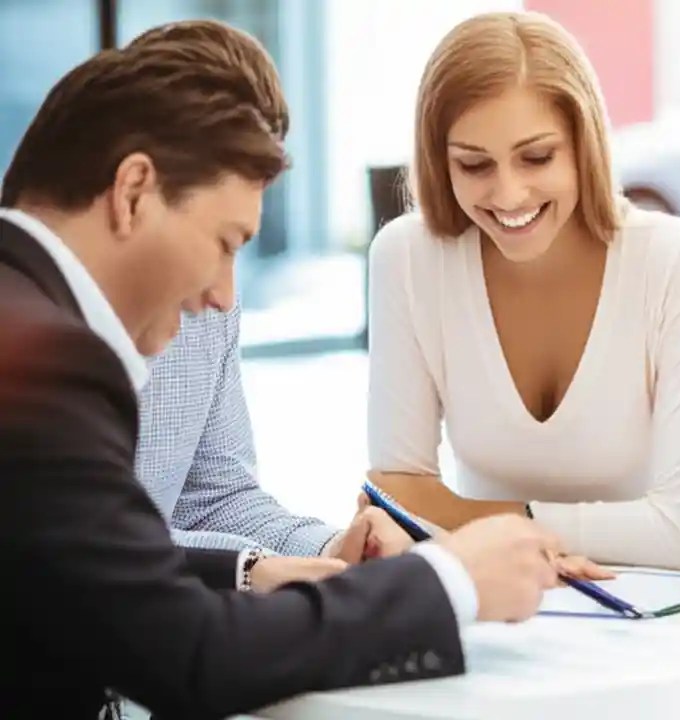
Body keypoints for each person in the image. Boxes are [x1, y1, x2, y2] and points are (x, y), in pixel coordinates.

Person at [0, 19, 558, 719]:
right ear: (134, 190)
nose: (225, 295)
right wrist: (448, 582)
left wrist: (252, 567)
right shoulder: (41, 359)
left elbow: (64, 563)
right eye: (225, 242)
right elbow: (190, 655)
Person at [365, 11, 680, 573]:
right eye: (474, 164)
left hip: (664, 614)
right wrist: (444, 518)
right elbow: (397, 503)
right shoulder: (408, 258)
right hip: (495, 608)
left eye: (537, 157)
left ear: (584, 145)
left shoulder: (678, 259)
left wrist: (468, 518)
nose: (508, 194)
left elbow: (678, 539)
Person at [136, 303, 418, 591]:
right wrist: (251, 570)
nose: (227, 296)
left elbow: (217, 500)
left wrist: (333, 550)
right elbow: (99, 533)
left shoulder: (211, 311)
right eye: (225, 254)